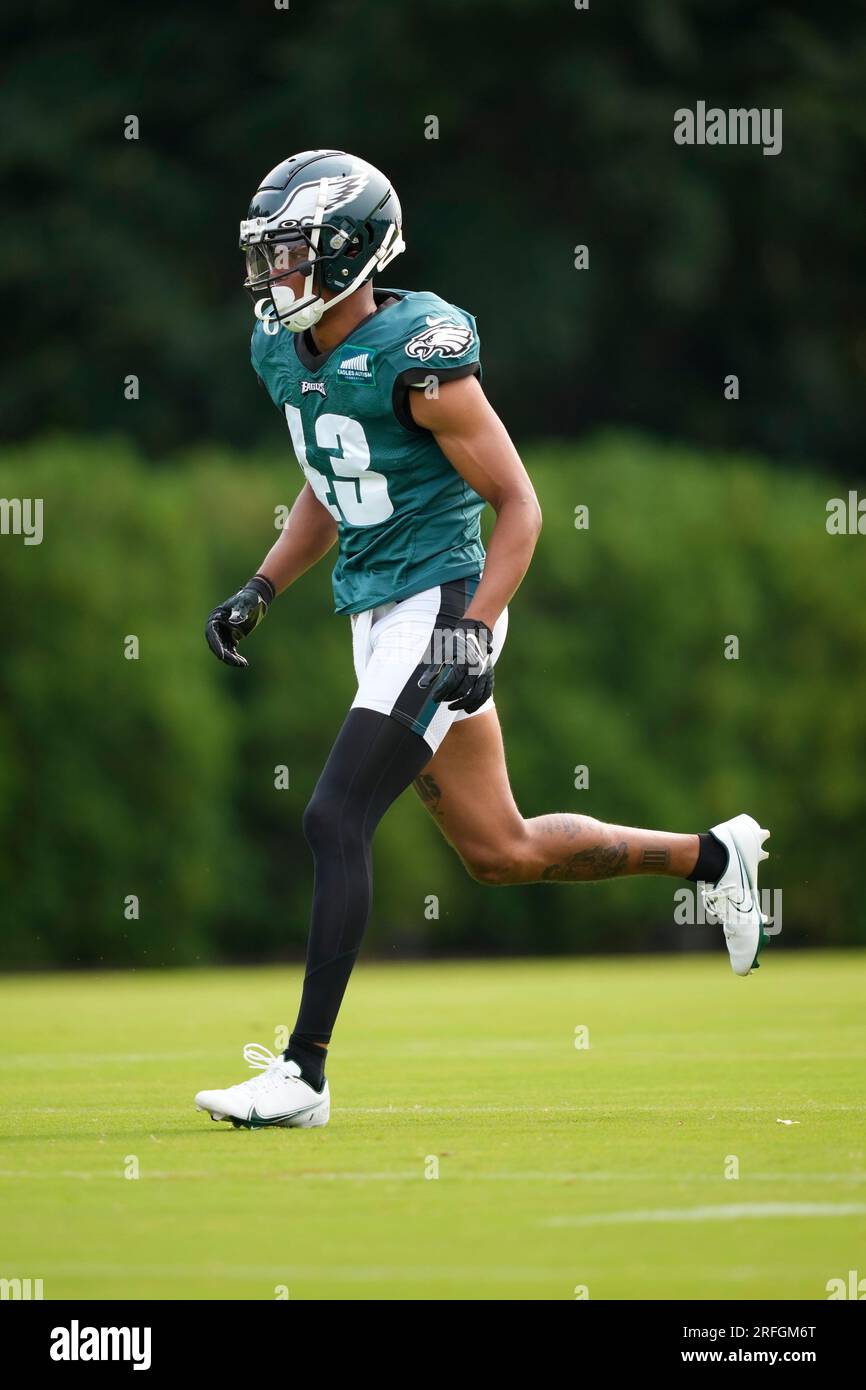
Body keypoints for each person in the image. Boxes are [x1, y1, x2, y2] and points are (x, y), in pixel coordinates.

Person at [196, 150, 770, 1131]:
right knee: (498, 850)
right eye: (268, 254)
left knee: (332, 818)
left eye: (290, 253)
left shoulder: (417, 355)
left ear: (346, 254)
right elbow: (333, 485)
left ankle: (303, 1075)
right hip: (376, 608)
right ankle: (714, 860)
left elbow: (518, 506)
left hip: (442, 600)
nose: (274, 274)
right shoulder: (283, 352)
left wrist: (469, 631)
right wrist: (262, 583)